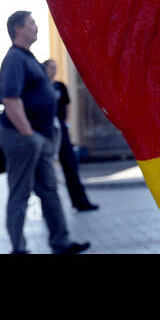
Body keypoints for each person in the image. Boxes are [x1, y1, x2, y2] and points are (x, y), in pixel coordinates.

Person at [0, 11, 90, 254]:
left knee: (49, 189)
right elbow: (10, 99)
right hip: (23, 138)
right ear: (18, 29)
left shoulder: (29, 58)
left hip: (38, 137)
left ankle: (61, 242)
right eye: (32, 23)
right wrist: (29, 135)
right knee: (20, 193)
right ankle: (19, 248)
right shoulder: (14, 59)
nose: (36, 27)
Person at [43, 59, 98, 212]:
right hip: (46, 128)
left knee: (70, 164)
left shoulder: (60, 86)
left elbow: (67, 106)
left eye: (55, 67)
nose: (53, 70)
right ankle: (49, 208)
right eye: (50, 67)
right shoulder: (40, 86)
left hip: (60, 127)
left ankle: (80, 201)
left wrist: (66, 124)